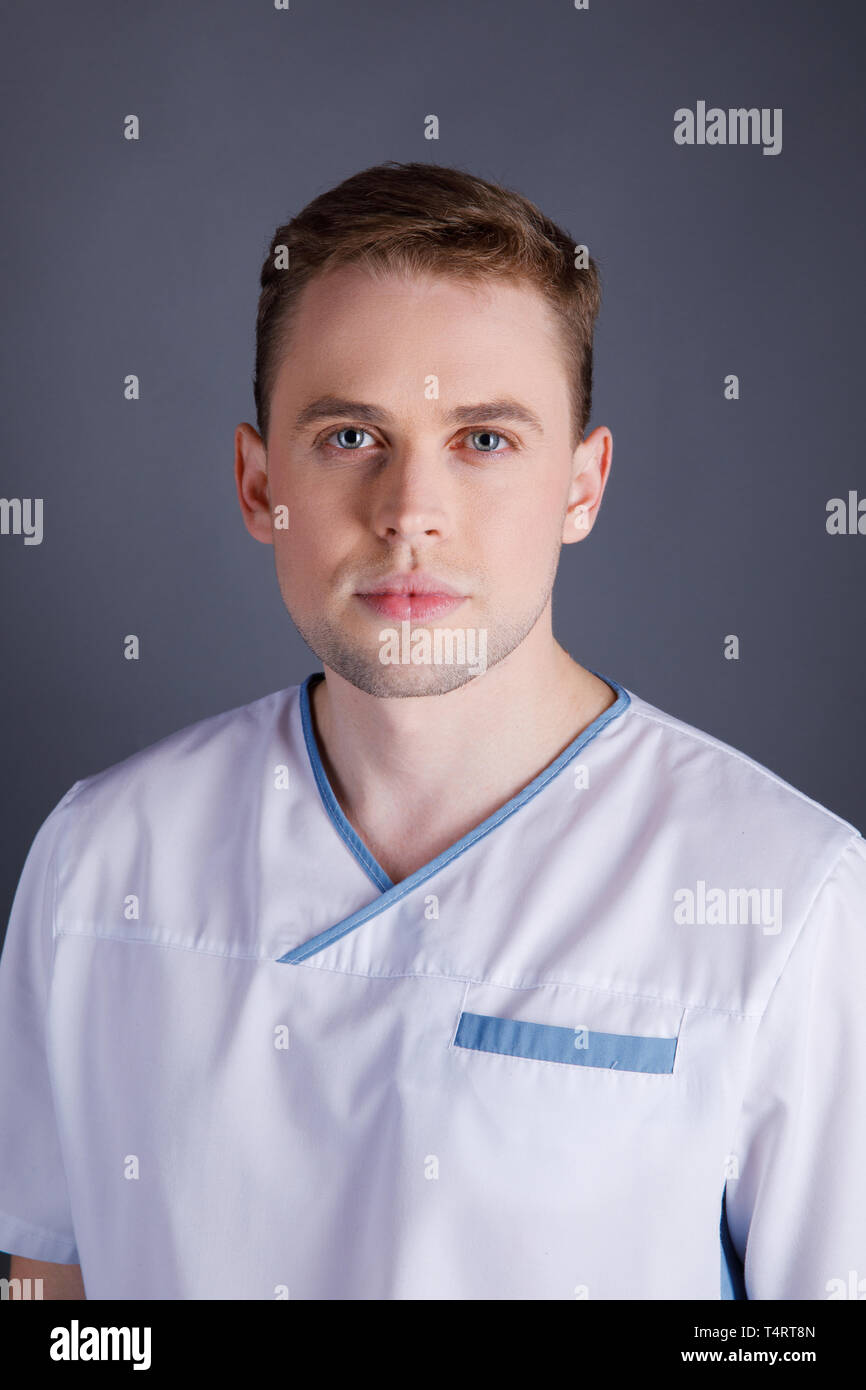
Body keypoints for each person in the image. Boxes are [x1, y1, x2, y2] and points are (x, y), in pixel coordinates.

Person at [1, 161, 863, 1301]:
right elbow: (50, 1294)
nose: (409, 509)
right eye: (351, 435)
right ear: (260, 482)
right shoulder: (98, 860)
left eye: (484, 440)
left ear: (580, 485)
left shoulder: (787, 899)